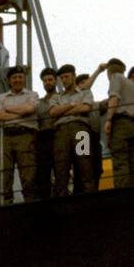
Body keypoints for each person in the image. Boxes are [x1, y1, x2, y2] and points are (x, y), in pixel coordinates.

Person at [0, 65, 39, 203]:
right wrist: (20, 115)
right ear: (9, 80)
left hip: (25, 136)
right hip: (5, 137)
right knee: (4, 174)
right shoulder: (1, 97)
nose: (17, 80)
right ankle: (6, 205)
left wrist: (7, 109)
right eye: (14, 77)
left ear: (24, 79)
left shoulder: (32, 95)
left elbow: (29, 109)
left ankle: (29, 205)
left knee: (28, 174)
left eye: (20, 77)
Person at [49, 64, 96, 195]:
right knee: (61, 165)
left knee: (85, 162)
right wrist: (72, 104)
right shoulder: (56, 97)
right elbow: (52, 112)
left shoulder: (85, 92)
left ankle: (89, 195)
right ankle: (62, 198)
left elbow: (86, 108)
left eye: (67, 76)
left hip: (81, 129)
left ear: (74, 76)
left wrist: (63, 110)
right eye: (62, 77)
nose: (64, 80)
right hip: (61, 131)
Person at [88, 58, 134, 188]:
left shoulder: (115, 78)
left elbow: (114, 98)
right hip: (133, 124)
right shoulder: (131, 84)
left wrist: (108, 120)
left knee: (120, 161)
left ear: (109, 72)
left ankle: (122, 194)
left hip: (121, 124)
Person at [35, 67, 60, 199]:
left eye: (50, 80)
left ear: (56, 81)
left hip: (58, 135)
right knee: (43, 173)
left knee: (60, 170)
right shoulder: (39, 103)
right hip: (43, 137)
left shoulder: (62, 98)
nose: (47, 83)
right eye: (45, 81)